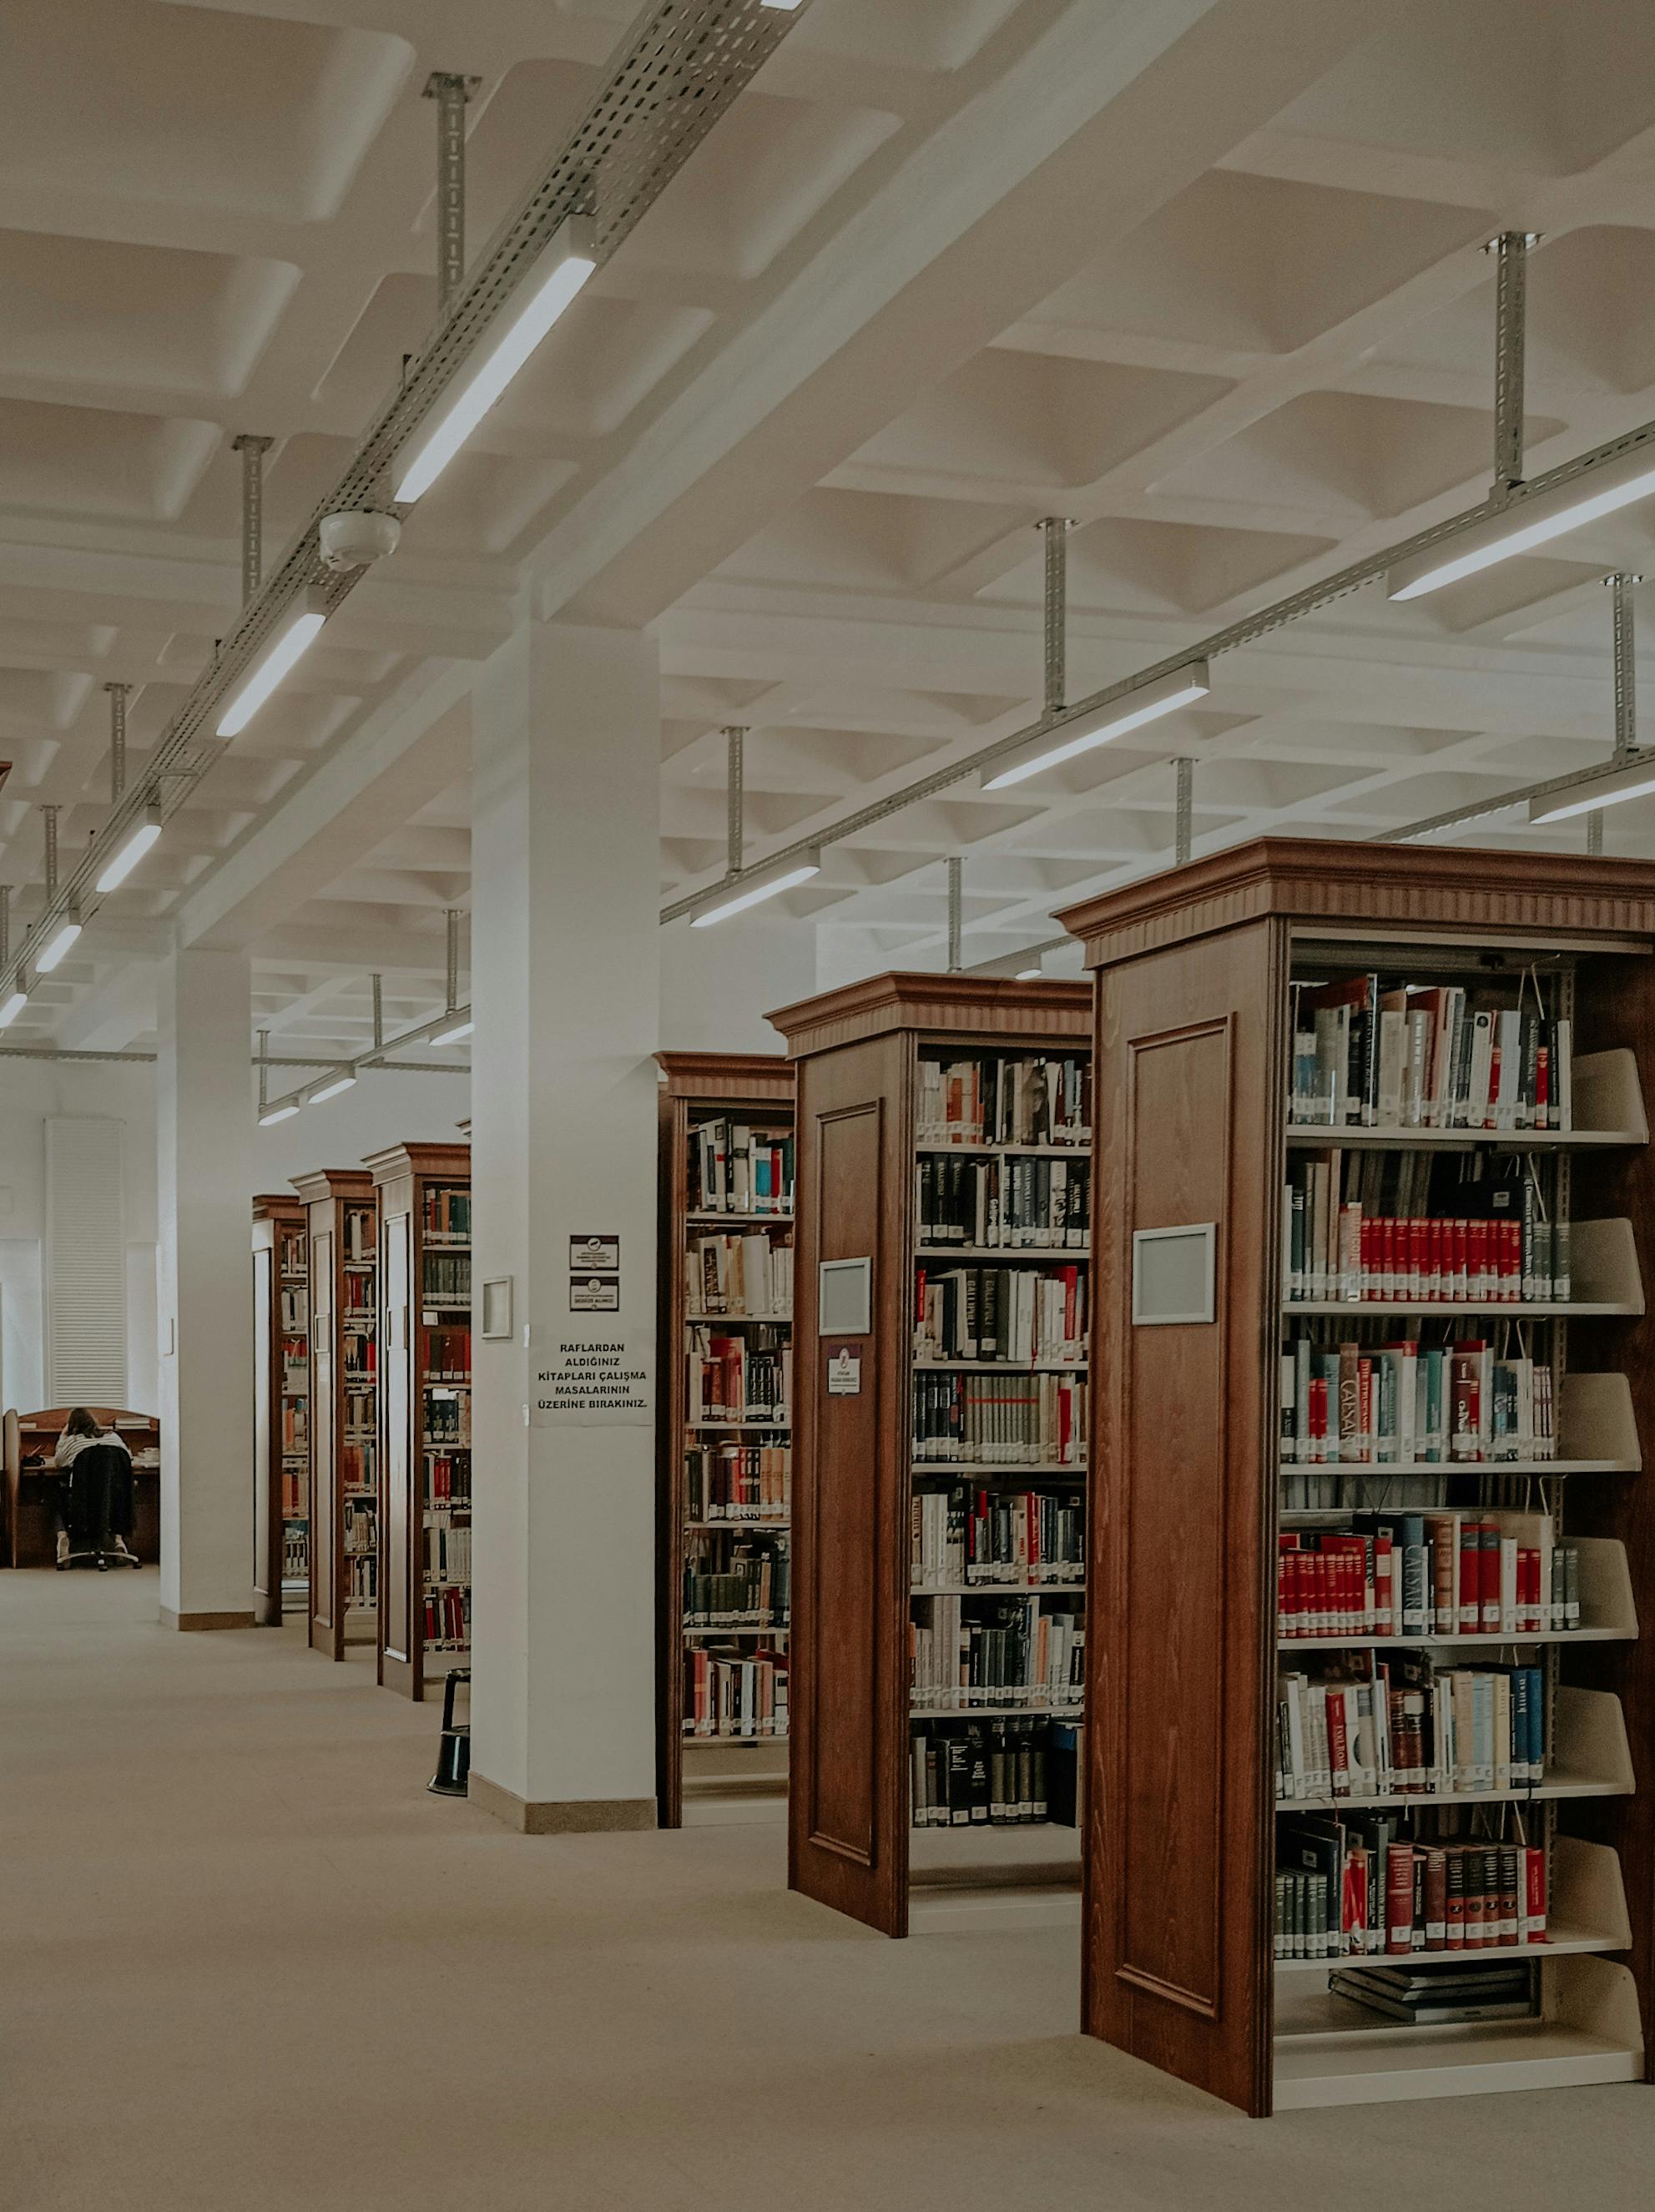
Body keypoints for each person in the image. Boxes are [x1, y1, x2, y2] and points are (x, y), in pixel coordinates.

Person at [50, 1408, 133, 1567]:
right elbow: (127, 1460)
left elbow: (58, 1462)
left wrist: (63, 1437)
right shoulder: (114, 1438)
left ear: (71, 1426)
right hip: (114, 1499)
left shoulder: (73, 1441)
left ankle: (62, 1536)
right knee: (115, 1496)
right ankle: (118, 1540)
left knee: (54, 1490)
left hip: (85, 1502)